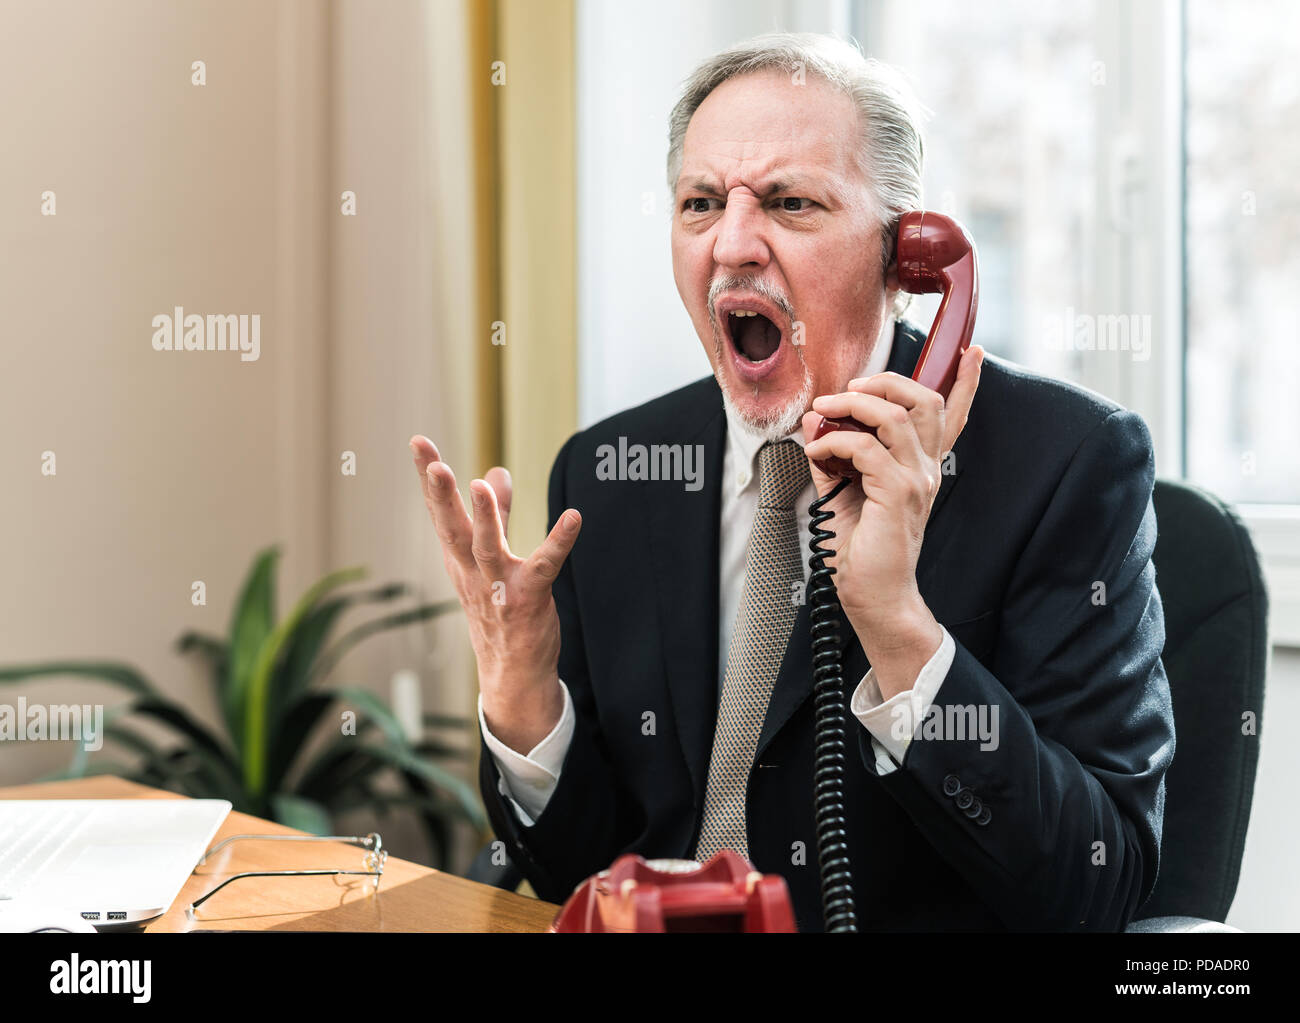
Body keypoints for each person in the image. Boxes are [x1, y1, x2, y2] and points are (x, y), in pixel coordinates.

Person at [410, 32, 1175, 932]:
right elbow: (586, 872)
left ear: (909, 255)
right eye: (700, 203)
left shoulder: (1067, 463)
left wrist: (899, 627)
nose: (733, 244)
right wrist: (523, 693)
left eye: (790, 202)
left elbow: (1098, 886)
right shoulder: (610, 470)